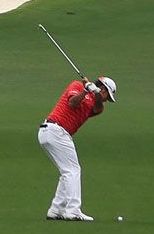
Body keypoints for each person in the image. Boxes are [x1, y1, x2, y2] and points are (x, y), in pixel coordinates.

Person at [37, 73, 114, 221]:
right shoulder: (77, 86)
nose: (107, 100)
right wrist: (85, 90)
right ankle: (73, 210)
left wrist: (93, 91)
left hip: (55, 133)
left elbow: (97, 107)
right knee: (72, 170)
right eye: (107, 96)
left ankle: (56, 210)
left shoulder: (98, 107)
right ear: (103, 89)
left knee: (67, 171)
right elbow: (72, 103)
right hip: (55, 130)